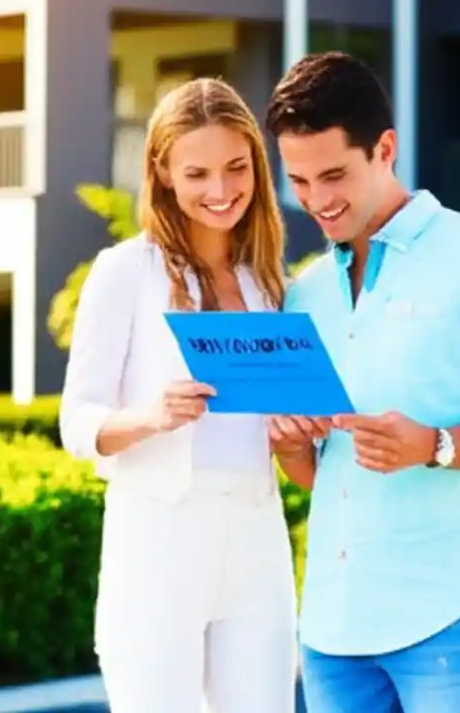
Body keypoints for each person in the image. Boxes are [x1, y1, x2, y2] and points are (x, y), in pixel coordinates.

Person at [264, 51, 460, 712]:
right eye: (299, 180)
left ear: (385, 148)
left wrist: (435, 444)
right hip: (332, 630)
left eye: (334, 175)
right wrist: (291, 444)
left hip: (451, 617)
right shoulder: (304, 294)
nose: (318, 200)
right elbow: (327, 476)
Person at [58, 77, 301, 712]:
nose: (220, 191)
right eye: (197, 173)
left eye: (236, 168)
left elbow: (286, 437)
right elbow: (77, 421)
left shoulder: (266, 285)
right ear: (162, 171)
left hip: (255, 539)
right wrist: (151, 416)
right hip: (158, 538)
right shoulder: (125, 271)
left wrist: (298, 427)